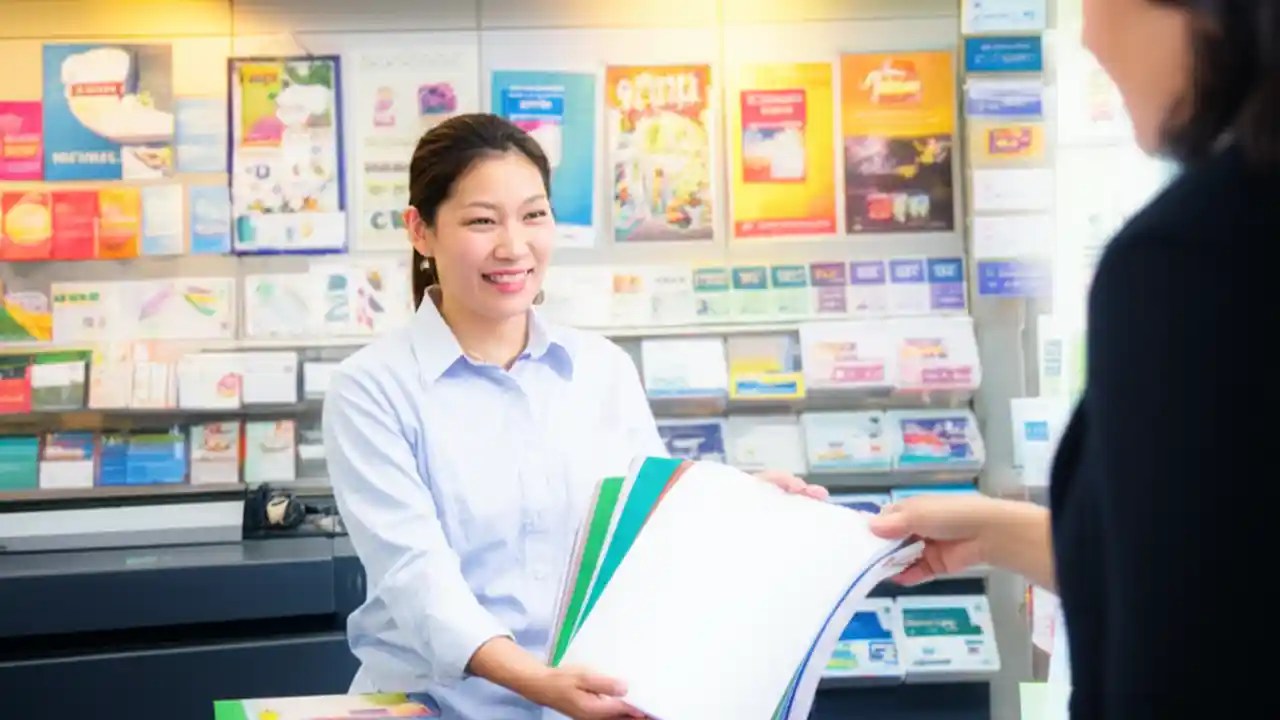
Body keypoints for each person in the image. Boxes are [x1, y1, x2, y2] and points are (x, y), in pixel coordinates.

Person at [322, 113, 822, 720]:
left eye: (533, 215)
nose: (514, 246)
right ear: (420, 231)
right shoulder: (371, 389)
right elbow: (415, 575)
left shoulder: (600, 368)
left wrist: (742, 505)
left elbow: (644, 532)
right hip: (436, 705)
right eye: (482, 221)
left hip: (587, 698)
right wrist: (538, 681)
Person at [870, 1, 1275, 717]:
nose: (1086, 34)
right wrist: (997, 531)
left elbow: (1185, 656)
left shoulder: (1191, 262)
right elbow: (1221, 564)